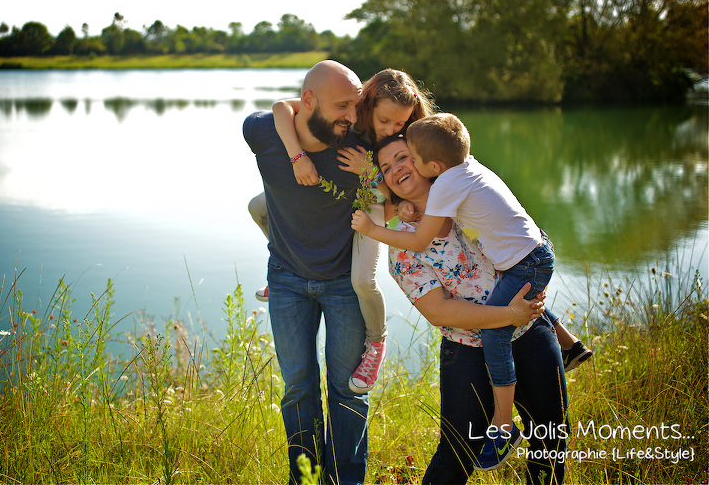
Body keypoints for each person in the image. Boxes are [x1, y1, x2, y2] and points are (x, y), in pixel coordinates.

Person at [353, 114, 590, 470]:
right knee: (456, 454)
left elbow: (445, 136)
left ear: (428, 163)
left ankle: (542, 378)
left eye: (404, 157)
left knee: (551, 436)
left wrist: (523, 312)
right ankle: (503, 424)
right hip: (468, 347)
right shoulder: (402, 247)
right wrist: (508, 315)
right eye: (386, 168)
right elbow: (440, 312)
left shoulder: (462, 188)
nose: (397, 168)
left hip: (530, 332)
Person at [248, 69, 437, 394]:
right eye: (386, 122)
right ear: (367, 104)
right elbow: (281, 108)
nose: (392, 130)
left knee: (362, 279)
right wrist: (298, 155)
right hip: (338, 201)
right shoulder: (351, 118)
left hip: (373, 204)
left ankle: (376, 342)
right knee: (257, 206)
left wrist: (372, 175)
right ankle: (286, 264)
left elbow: (398, 189)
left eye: (399, 124)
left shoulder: (404, 138)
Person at [243, 60, 369, 485]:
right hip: (286, 281)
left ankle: (345, 480)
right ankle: (306, 478)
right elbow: (275, 111)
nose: (351, 118)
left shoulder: (358, 144)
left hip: (344, 285)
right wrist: (296, 153)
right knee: (298, 388)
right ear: (309, 101)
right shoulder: (263, 135)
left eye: (356, 107)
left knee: (347, 391)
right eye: (342, 106)